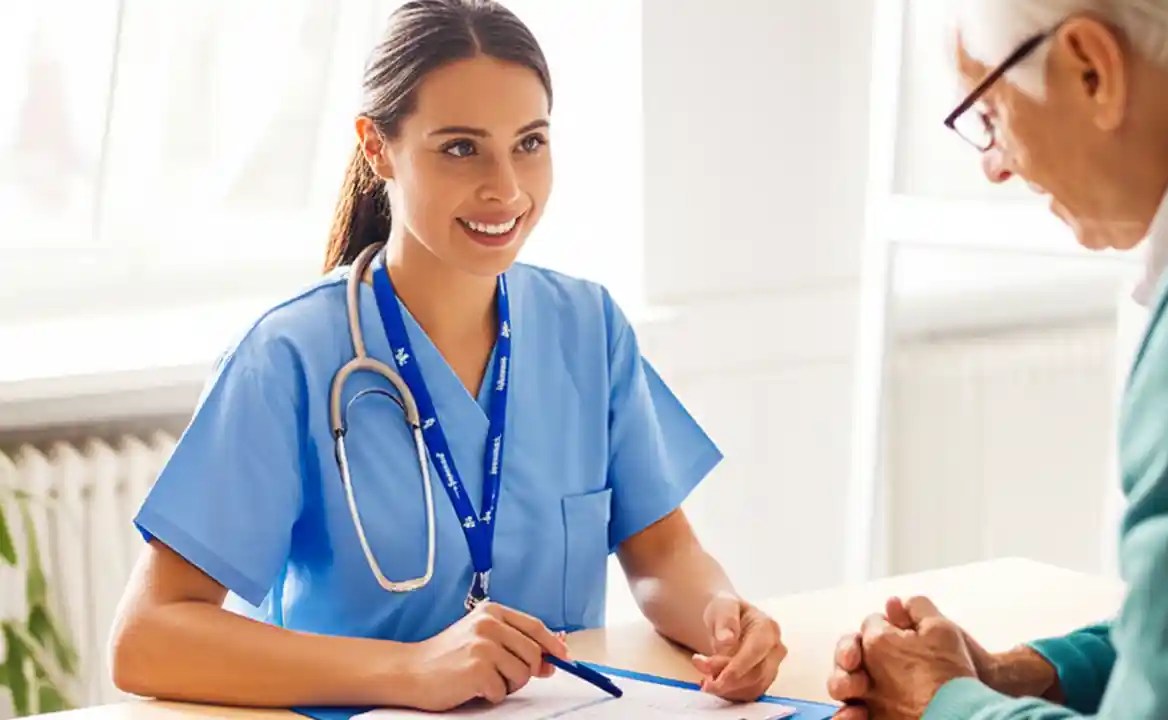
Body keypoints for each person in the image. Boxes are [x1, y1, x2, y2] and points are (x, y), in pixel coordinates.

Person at [108, 0, 786, 712]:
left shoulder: (586, 328)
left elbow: (662, 554)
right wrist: (410, 671)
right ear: (377, 148)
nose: (506, 188)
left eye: (529, 143)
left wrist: (724, 614)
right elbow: (148, 638)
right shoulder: (288, 357)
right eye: (461, 147)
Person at [826, 1, 1168, 718]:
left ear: (1091, 70)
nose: (995, 165)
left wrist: (944, 705)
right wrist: (1026, 675)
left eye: (991, 112)